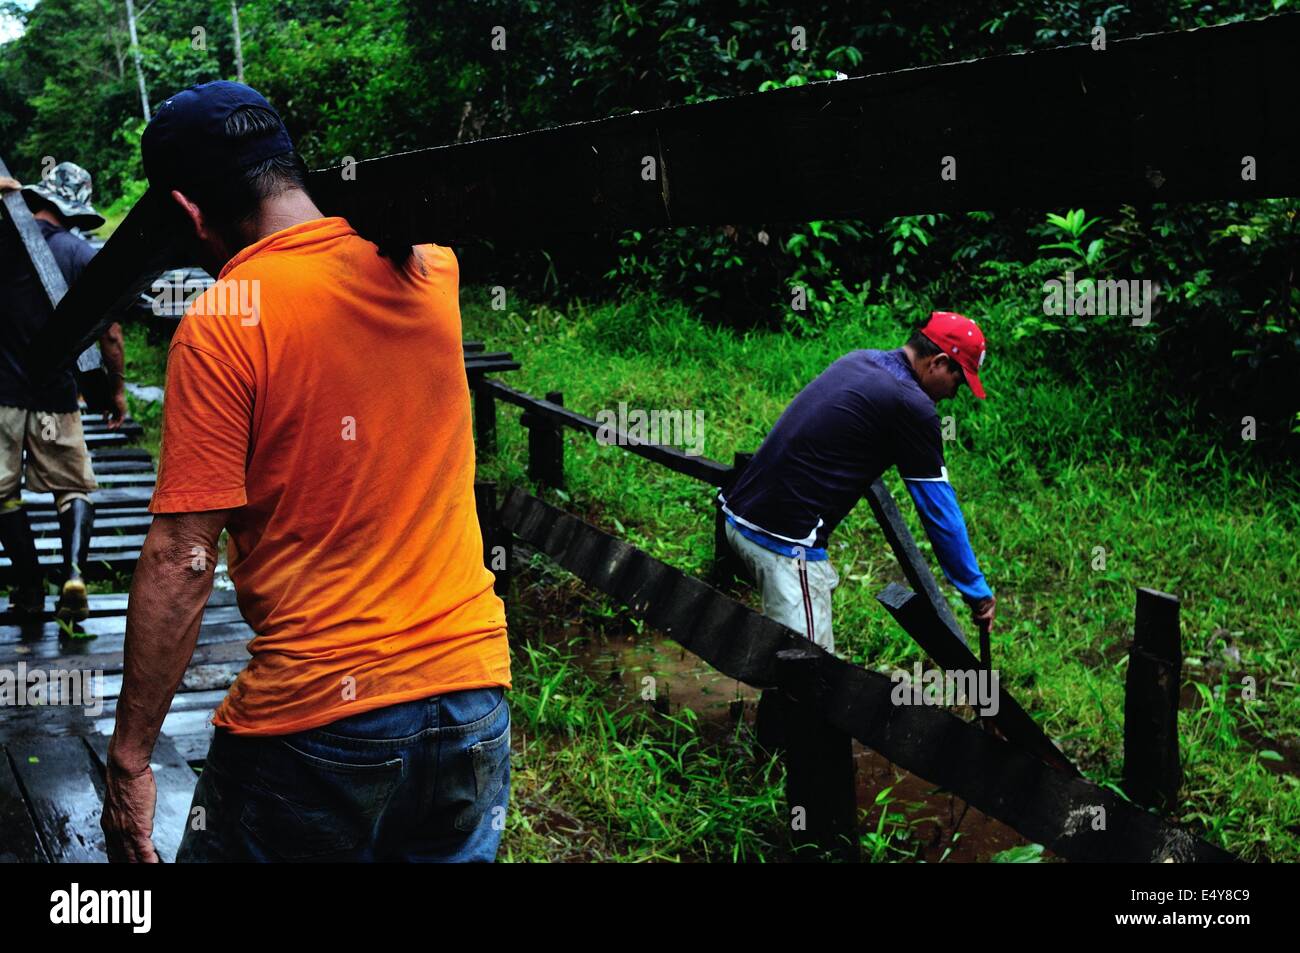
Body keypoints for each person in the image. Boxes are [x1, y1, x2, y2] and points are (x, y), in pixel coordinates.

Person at [99, 81, 512, 863]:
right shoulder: (434, 274)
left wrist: (129, 757)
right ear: (289, 169)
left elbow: (183, 561)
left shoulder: (223, 325)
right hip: (472, 697)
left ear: (190, 213)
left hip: (319, 724)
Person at [720, 312, 996, 654]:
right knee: (809, 674)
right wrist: (976, 592)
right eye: (959, 381)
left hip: (737, 513)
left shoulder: (860, 360)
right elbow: (939, 512)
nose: (955, 394)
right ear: (939, 362)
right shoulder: (913, 405)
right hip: (783, 544)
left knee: (793, 670)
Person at [0, 162, 126, 622]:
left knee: (3, 492)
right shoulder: (80, 253)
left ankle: (29, 587)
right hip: (56, 398)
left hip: (2, 397)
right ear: (75, 211)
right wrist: (115, 392)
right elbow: (109, 332)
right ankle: (73, 572)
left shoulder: (4, 241)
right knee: (73, 488)